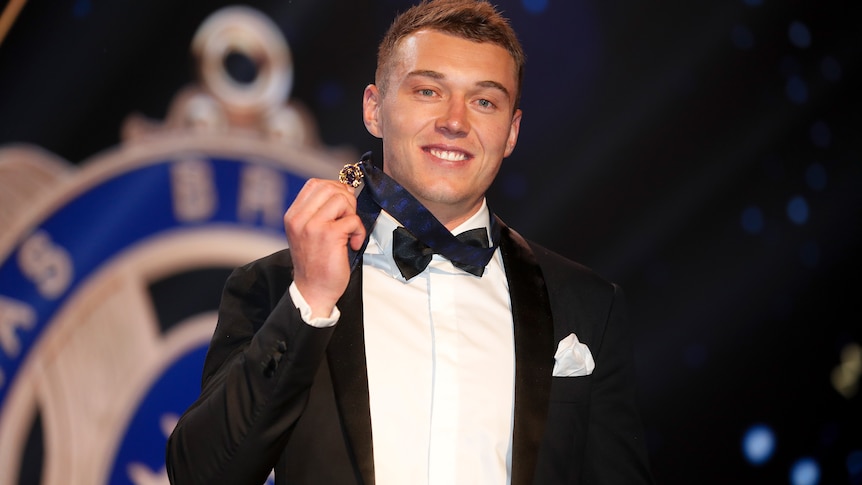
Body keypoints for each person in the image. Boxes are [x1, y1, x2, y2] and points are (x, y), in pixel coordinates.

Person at [166, 0, 654, 483]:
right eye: (428, 91)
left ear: (511, 132)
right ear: (374, 109)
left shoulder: (586, 306)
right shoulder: (275, 287)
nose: (456, 121)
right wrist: (311, 301)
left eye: (484, 101)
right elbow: (202, 474)